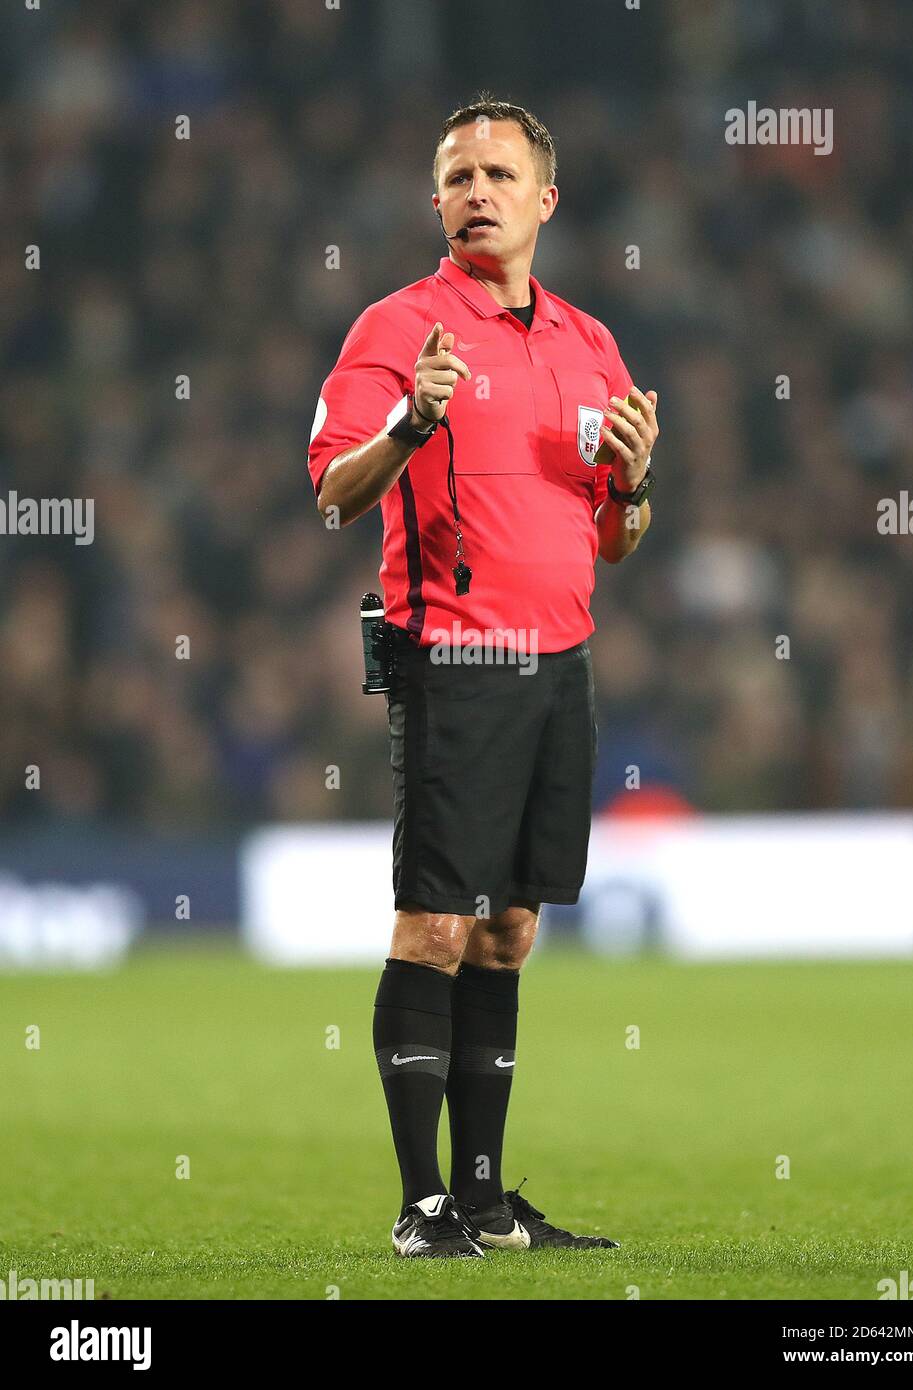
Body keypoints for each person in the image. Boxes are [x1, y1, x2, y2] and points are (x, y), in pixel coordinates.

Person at [308, 94, 658, 1258]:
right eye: (457, 176)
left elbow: (613, 537)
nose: (475, 194)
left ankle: (485, 1199)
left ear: (543, 201)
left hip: (562, 663)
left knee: (508, 929)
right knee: (433, 926)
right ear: (436, 201)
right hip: (453, 656)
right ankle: (419, 1209)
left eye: (499, 175)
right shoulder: (394, 329)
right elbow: (332, 490)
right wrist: (411, 419)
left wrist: (636, 486)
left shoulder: (589, 345)